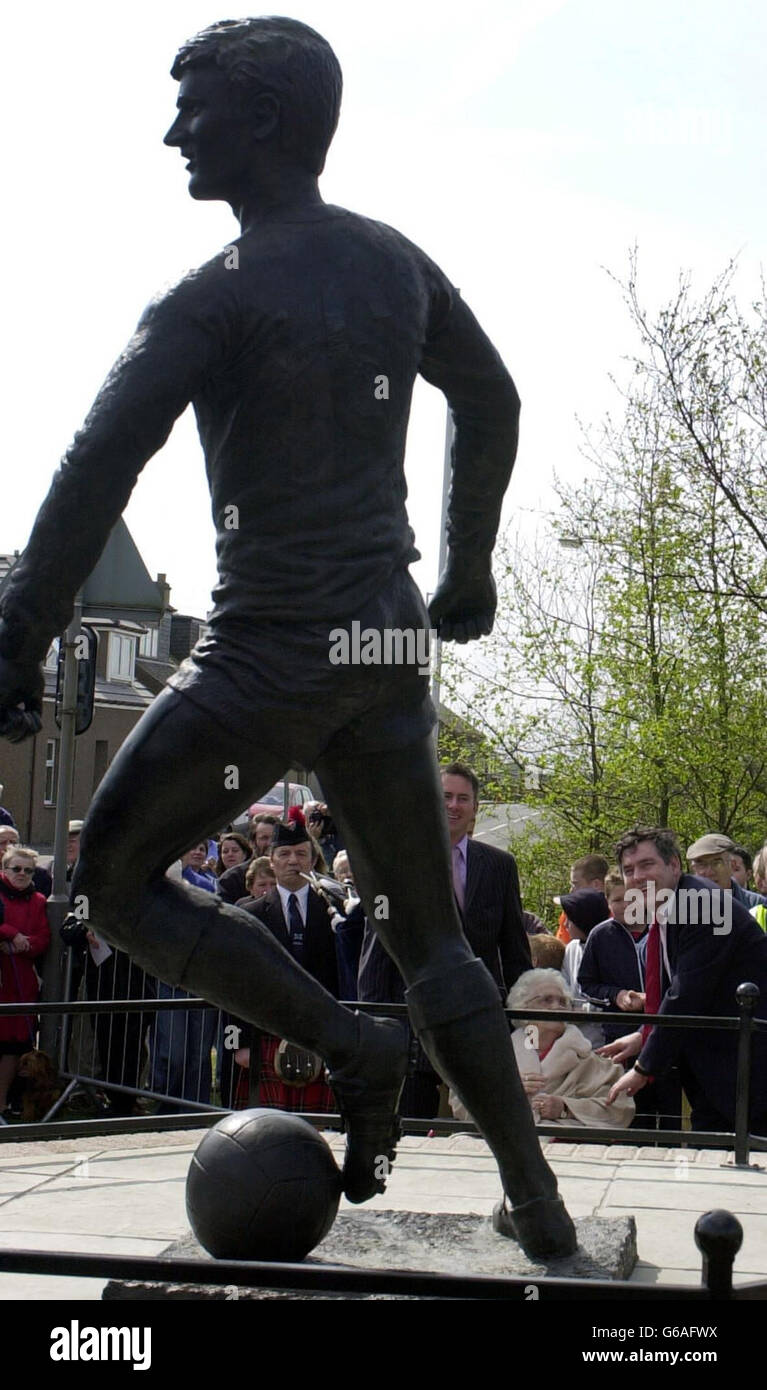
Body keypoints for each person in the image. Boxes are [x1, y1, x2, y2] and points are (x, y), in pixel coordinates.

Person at [0, 17, 573, 1257]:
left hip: (270, 652)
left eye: (192, 106)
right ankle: (536, 1205)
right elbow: (490, 395)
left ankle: (348, 1038)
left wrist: (16, 633)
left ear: (262, 121)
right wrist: (463, 567)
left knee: (110, 881)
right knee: (429, 938)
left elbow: (98, 461)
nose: (171, 132)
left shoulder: (215, 295)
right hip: (384, 644)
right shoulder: (392, 263)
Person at [603, 825, 767, 1134]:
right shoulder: (674, 906)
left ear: (674, 865)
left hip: (747, 1066)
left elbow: (685, 996)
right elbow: (671, 990)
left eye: (647, 864)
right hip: (718, 1067)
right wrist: (643, 1035)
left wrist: (643, 1068)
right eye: (628, 869)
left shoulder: (700, 906)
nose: (637, 876)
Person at [450, 969, 634, 1129]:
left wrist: (565, 1108)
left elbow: (620, 1108)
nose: (557, 1007)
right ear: (522, 1007)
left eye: (563, 1001)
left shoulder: (589, 1060)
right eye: (546, 1000)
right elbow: (460, 1101)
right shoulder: (496, 1055)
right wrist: (507, 1092)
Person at [150, 844, 218, 1108]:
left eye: (202, 847)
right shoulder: (160, 884)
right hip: (170, 978)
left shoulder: (208, 885)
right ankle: (165, 1107)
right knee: (173, 1052)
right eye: (191, 848)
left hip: (202, 979)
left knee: (199, 1054)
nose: (197, 852)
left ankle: (194, 1109)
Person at [0, 847, 51, 1115]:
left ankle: (5, 1102)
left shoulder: (39, 900)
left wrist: (22, 945)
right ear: (4, 870)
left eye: (28, 870)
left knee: (14, 1045)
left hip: (22, 978)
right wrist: (10, 934)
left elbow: (43, 937)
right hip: (2, 976)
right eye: (16, 869)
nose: (22, 874)